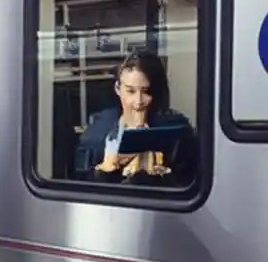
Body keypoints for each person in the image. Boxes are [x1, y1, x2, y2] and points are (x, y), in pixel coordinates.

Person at [74, 49, 197, 187]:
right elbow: (81, 187)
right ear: (118, 89)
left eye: (146, 92)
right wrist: (104, 170)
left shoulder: (176, 133)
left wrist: (165, 179)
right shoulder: (96, 135)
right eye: (130, 91)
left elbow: (190, 182)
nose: (138, 102)